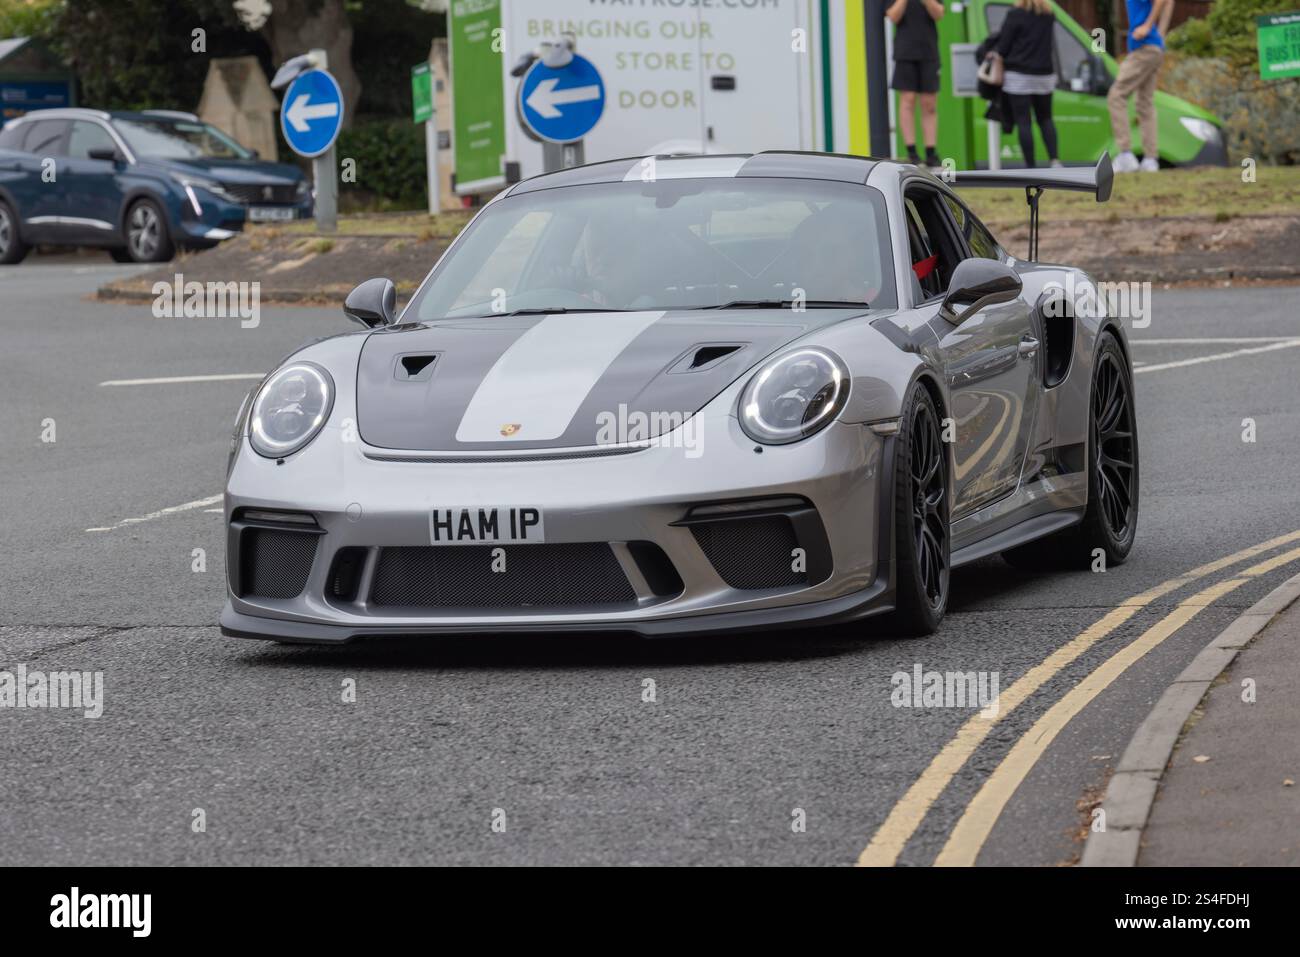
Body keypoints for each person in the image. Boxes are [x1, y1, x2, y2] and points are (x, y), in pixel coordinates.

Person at [1108, 0, 1173, 173]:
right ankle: (1151, 160)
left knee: (1116, 95)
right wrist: (1160, 35)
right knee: (1145, 104)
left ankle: (1125, 155)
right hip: (1152, 47)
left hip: (1144, 48)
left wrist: (1147, 26)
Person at [994, 0, 1060, 169]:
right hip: (1044, 75)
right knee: (1046, 119)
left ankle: (1030, 166)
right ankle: (1055, 161)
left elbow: (1003, 47)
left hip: (1018, 75)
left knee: (1024, 122)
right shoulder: (1049, 15)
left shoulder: (1015, 15)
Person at [887, 0, 945, 168]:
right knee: (908, 100)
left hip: (929, 52)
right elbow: (893, 16)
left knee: (929, 104)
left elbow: (939, 14)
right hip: (905, 53)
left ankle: (930, 152)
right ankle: (912, 152)